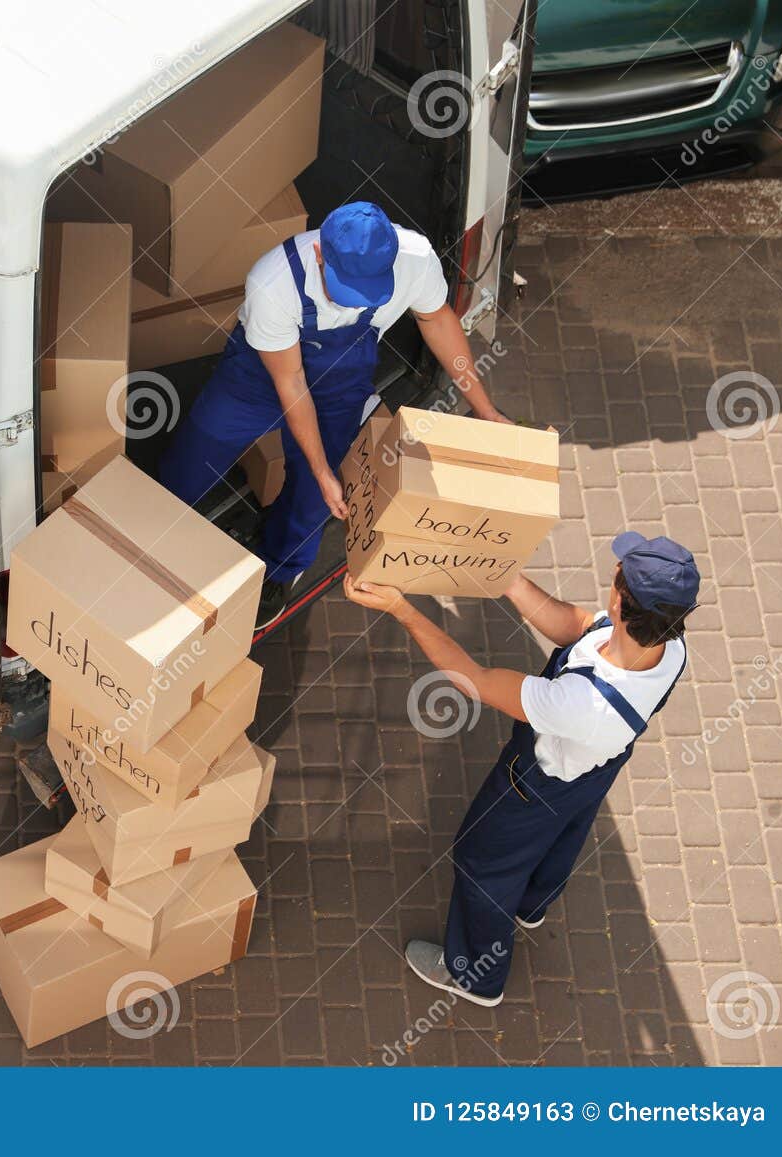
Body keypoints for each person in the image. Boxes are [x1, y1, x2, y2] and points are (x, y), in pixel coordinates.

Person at [344, 532, 699, 1006]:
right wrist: (506, 580)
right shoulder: (667, 647)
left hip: (533, 785)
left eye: (620, 573)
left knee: (481, 866)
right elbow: (574, 624)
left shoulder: (579, 704)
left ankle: (474, 976)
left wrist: (402, 610)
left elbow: (476, 681)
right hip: (593, 769)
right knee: (564, 834)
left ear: (621, 597)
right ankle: (531, 904)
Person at [159, 201, 510, 628]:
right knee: (197, 452)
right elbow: (291, 385)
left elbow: (437, 320)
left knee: (315, 500)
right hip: (260, 376)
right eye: (342, 287)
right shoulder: (274, 282)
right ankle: (154, 534)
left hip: (338, 389)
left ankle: (278, 570)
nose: (350, 302)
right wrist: (323, 466)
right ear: (321, 253)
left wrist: (485, 409)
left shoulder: (415, 259)